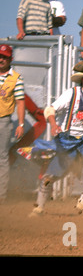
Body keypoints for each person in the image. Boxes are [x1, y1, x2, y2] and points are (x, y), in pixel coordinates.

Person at [29, 72, 83, 216]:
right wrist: (54, 125)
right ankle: (39, 207)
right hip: (66, 141)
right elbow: (50, 110)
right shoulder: (71, 94)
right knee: (51, 177)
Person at [0, 45, 25, 204]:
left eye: (4, 57)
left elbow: (20, 102)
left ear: (11, 59)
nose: (1, 60)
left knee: (1, 158)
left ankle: (1, 196)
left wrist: (21, 124)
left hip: (3, 120)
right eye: (0, 56)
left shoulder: (16, 77)